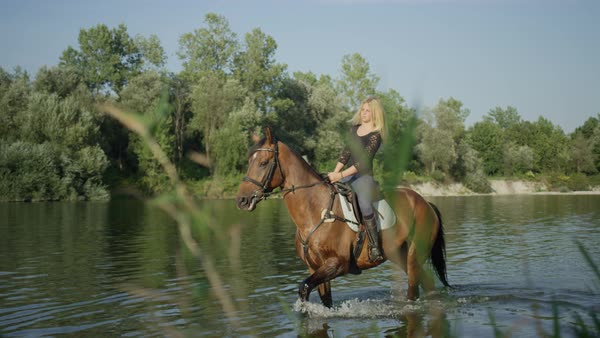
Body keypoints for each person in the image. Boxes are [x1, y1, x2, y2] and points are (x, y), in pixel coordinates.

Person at [328, 96, 386, 262]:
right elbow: (346, 153)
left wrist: (340, 175)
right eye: (363, 110)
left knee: (364, 204)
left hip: (364, 176)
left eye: (368, 111)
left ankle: (376, 247)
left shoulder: (376, 135)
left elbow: (362, 163)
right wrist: (334, 174)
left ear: (375, 114)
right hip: (348, 175)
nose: (364, 113)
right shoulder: (354, 129)